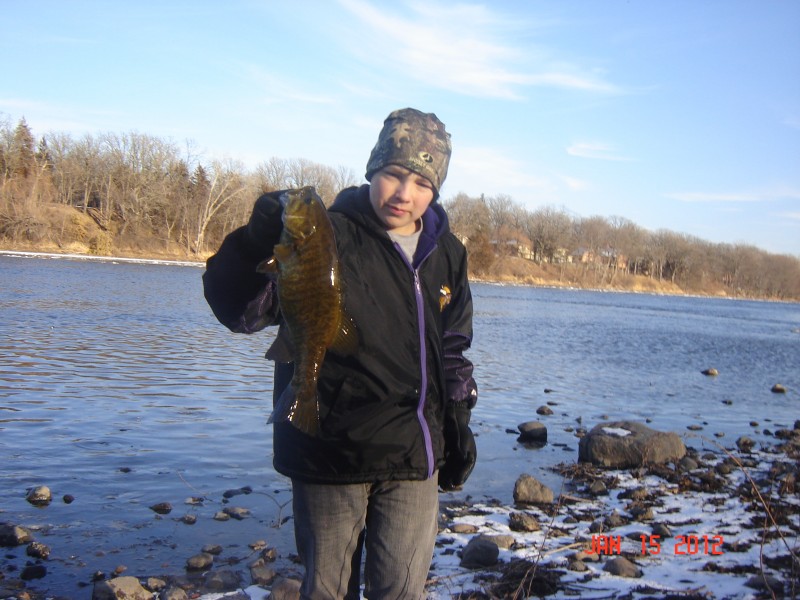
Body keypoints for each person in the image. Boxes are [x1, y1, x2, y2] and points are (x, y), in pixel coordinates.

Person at [203, 108, 477, 599]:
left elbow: (453, 346)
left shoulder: (448, 253)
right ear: (372, 170)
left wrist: (457, 419)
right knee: (327, 591)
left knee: (402, 592)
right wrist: (251, 244)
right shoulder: (325, 234)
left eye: (421, 182)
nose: (404, 193)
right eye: (393, 174)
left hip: (413, 455)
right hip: (329, 451)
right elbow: (241, 313)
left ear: (436, 190)